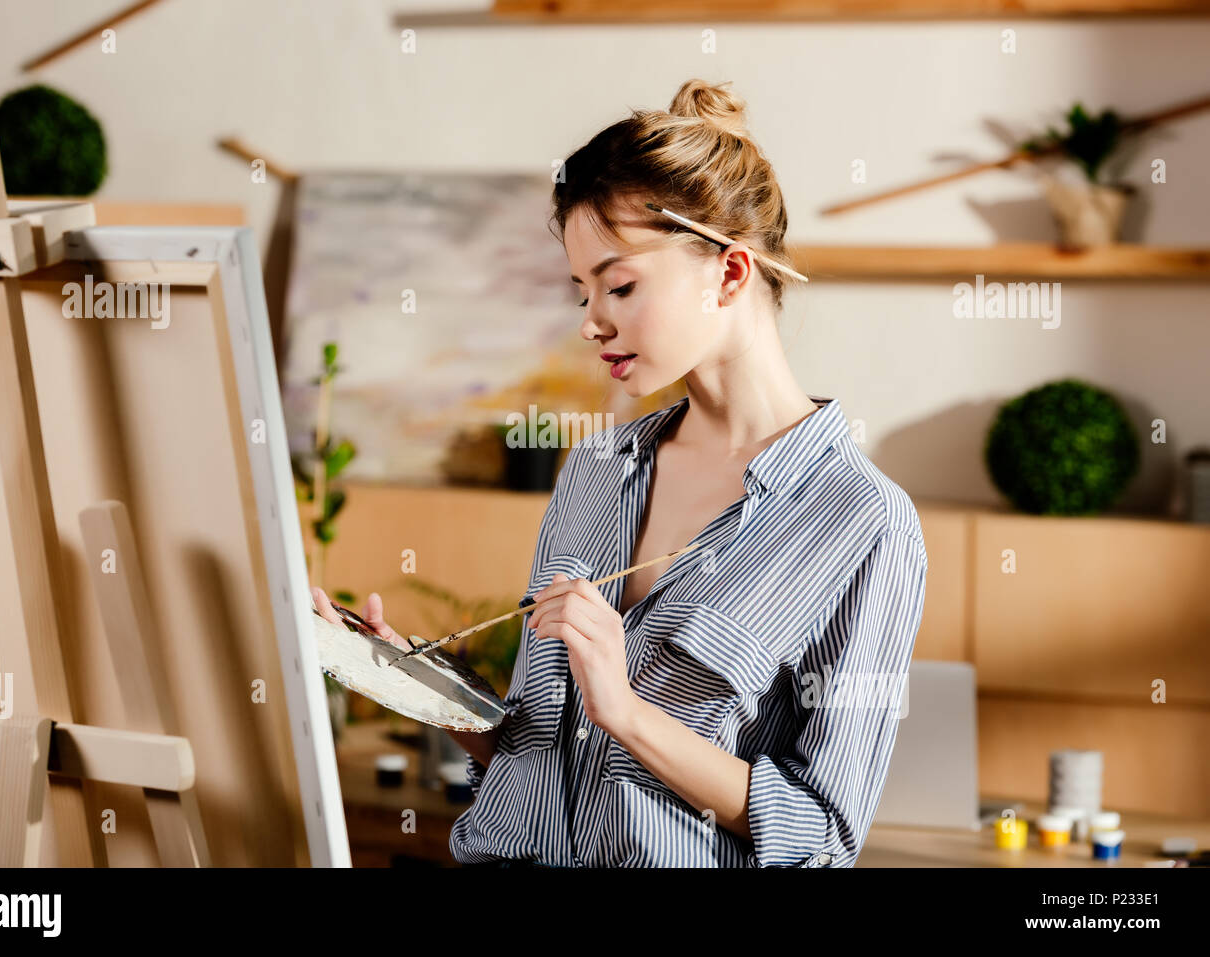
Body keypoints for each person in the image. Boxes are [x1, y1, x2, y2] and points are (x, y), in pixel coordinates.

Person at [313, 77, 928, 867]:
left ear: (732, 274)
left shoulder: (862, 523)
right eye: (581, 291)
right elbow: (539, 759)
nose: (591, 321)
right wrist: (419, 687)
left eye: (621, 285)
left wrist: (627, 712)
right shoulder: (595, 470)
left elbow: (823, 838)